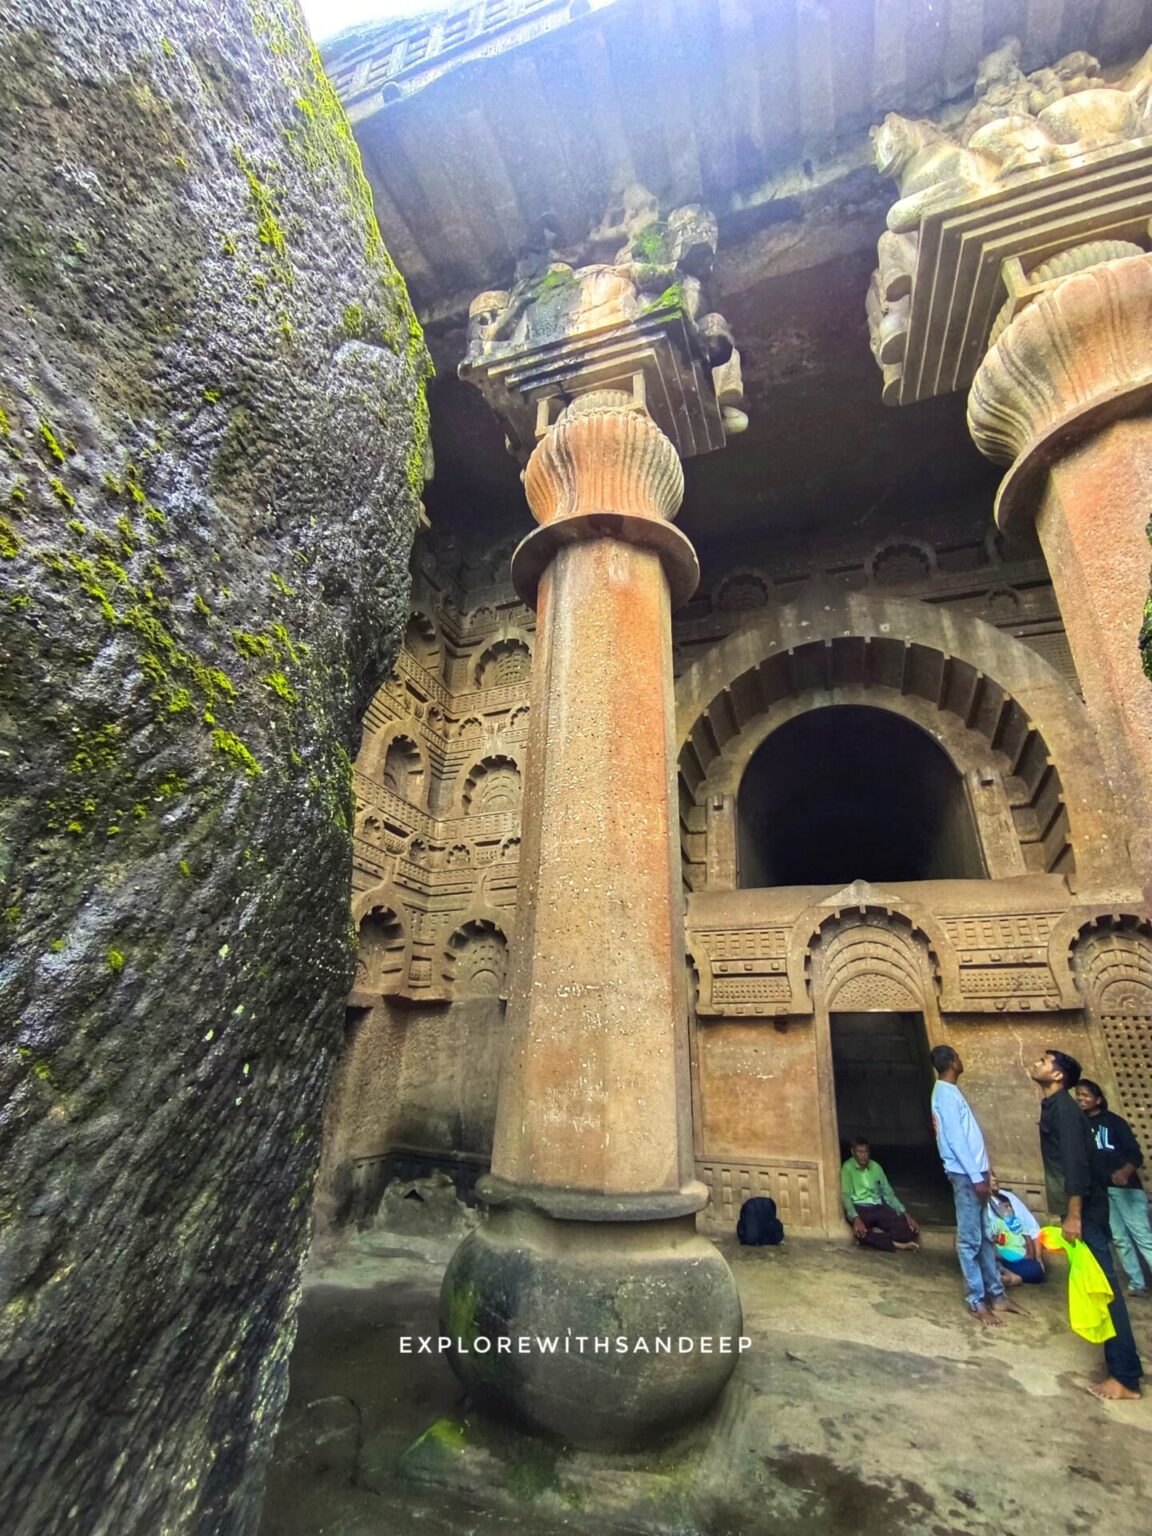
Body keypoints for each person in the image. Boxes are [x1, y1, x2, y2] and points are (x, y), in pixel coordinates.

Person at [1030, 1049, 1143, 1400]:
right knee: (1097, 1287)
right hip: (1084, 1210)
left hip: (1087, 1212)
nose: (1037, 1063)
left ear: (1058, 1075)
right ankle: (1122, 1369)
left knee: (1104, 1289)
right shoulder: (1055, 1106)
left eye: (1044, 1061)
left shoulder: (1064, 1109)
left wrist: (1075, 1215)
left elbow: (1076, 1163)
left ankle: (1126, 1378)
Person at [930, 1043, 1009, 1325]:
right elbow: (955, 1140)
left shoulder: (950, 1092)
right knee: (969, 1240)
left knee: (985, 1236)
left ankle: (996, 1294)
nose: (961, 1061)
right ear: (953, 1062)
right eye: (958, 1057)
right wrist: (976, 1177)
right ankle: (976, 1300)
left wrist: (985, 1172)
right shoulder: (945, 1094)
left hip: (976, 1174)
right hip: (966, 1176)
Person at [1074, 1078, 1152, 1299]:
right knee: (1119, 1238)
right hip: (1101, 1190)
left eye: (1086, 1095)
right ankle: (1137, 1284)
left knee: (1143, 1236)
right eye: (1078, 1095)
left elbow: (1135, 1154)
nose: (1081, 1099)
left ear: (1098, 1099)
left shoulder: (1114, 1122)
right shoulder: (1080, 1126)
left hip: (1126, 1188)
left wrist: (1125, 1172)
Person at [840, 1138, 920, 1251]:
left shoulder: (876, 1167)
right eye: (859, 1152)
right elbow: (846, 1195)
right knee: (860, 1233)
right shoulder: (847, 1168)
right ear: (853, 1152)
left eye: (865, 1152)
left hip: (878, 1206)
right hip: (860, 1208)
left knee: (911, 1230)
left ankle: (879, 1238)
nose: (863, 1156)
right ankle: (898, 1244)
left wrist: (905, 1214)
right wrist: (855, 1218)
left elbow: (888, 1194)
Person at [985, 1172, 1045, 1285]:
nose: (994, 1179)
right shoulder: (975, 1203)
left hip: (1017, 1256)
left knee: (1035, 1271)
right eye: (989, 1176)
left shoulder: (1007, 1198)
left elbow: (1032, 1230)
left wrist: (1036, 1257)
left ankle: (1005, 1276)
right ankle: (1007, 1275)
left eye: (994, 1175)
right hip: (996, 1254)